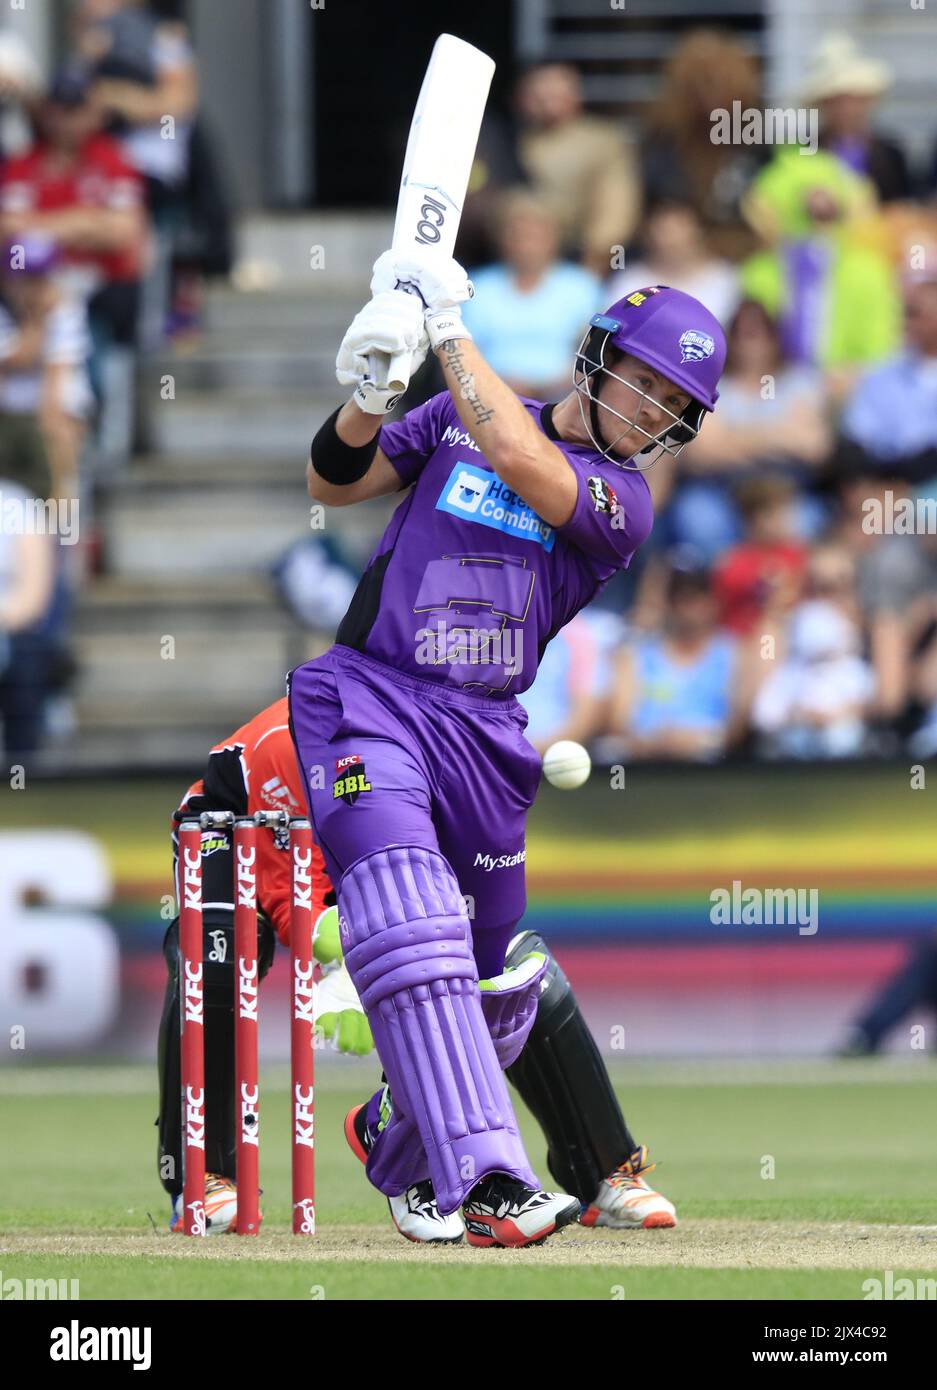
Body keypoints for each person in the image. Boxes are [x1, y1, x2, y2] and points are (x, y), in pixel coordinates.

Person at [293, 261, 725, 1247]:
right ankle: (492, 1178)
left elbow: (523, 459)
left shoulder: (620, 500)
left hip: (485, 734)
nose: (652, 412)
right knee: (410, 923)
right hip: (375, 695)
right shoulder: (456, 415)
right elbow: (331, 477)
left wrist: (443, 321)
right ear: (598, 358)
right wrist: (366, 398)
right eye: (645, 383)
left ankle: (394, 1134)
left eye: (674, 406)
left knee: (498, 989)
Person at [159, 698, 681, 1239]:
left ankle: (596, 1175)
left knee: (513, 974)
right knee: (214, 958)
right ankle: (204, 1177)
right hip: (232, 825)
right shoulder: (296, 741)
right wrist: (348, 973)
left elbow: (460, 899)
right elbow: (294, 902)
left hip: (374, 838)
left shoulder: (462, 743)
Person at [462, 190, 603, 400]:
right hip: (486, 401)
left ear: (555, 237)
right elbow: (461, 356)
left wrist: (550, 388)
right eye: (517, 235)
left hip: (564, 403)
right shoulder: (475, 287)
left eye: (536, 235)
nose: (526, 246)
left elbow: (597, 354)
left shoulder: (582, 287)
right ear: (500, 237)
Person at [609, 558, 743, 762]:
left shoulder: (733, 654)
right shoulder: (637, 653)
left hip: (711, 764)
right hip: (645, 762)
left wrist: (698, 741)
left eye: (696, 597)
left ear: (713, 601)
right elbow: (619, 721)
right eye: (678, 597)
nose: (686, 607)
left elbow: (739, 725)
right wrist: (657, 743)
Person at [514, 63, 639, 275]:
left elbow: (616, 210)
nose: (548, 102)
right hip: (518, 264)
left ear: (576, 95)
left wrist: (591, 268)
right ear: (522, 99)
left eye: (556, 93)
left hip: (585, 260)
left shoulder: (603, 141)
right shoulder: (509, 139)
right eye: (539, 95)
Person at [799, 33, 913, 203]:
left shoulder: (891, 153)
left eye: (854, 99)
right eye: (836, 100)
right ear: (822, 104)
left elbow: (902, 210)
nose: (846, 109)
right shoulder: (804, 152)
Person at [606, 198, 739, 328]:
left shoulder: (727, 281)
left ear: (698, 229)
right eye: (663, 229)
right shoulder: (629, 282)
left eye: (679, 226)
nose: (670, 239)